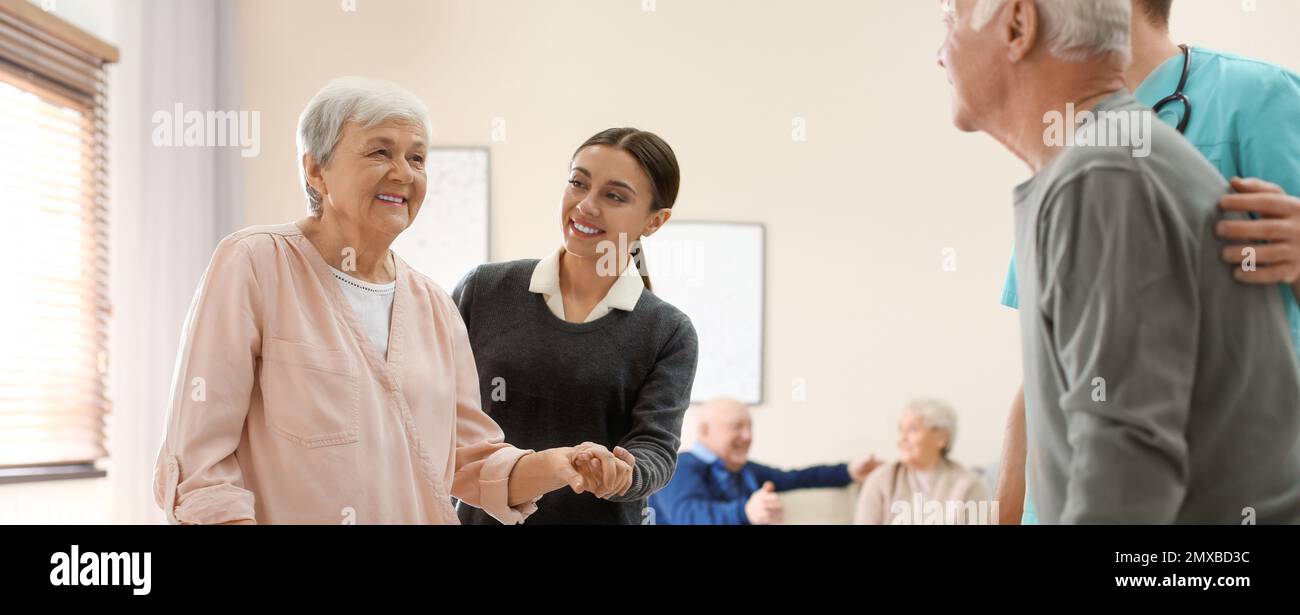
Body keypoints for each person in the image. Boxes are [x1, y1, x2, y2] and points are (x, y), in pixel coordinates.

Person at [153, 77, 607, 525]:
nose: (404, 173)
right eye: (379, 152)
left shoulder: (434, 305)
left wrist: (557, 465)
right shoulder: (254, 263)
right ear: (316, 169)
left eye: (417, 158)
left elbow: (467, 460)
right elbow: (198, 462)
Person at [937, 0, 1300, 522]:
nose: (939, 54)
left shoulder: (1249, 104)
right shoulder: (1072, 159)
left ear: (1020, 22)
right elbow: (1047, 374)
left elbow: (1129, 465)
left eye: (948, 19)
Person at [453, 128, 700, 524]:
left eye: (614, 196)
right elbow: (437, 411)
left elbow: (656, 446)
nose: (586, 206)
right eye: (578, 183)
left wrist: (623, 472)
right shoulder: (485, 290)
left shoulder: (668, 331)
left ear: (655, 221)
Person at [648, 398, 880, 525]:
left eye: (750, 427)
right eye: (737, 427)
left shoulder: (747, 470)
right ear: (705, 431)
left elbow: (797, 478)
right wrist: (746, 511)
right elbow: (688, 517)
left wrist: (848, 472)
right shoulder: (680, 467)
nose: (748, 436)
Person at [854, 400, 989, 525]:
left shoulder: (968, 484)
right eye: (901, 430)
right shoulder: (880, 480)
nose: (902, 439)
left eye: (913, 430)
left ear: (942, 437)